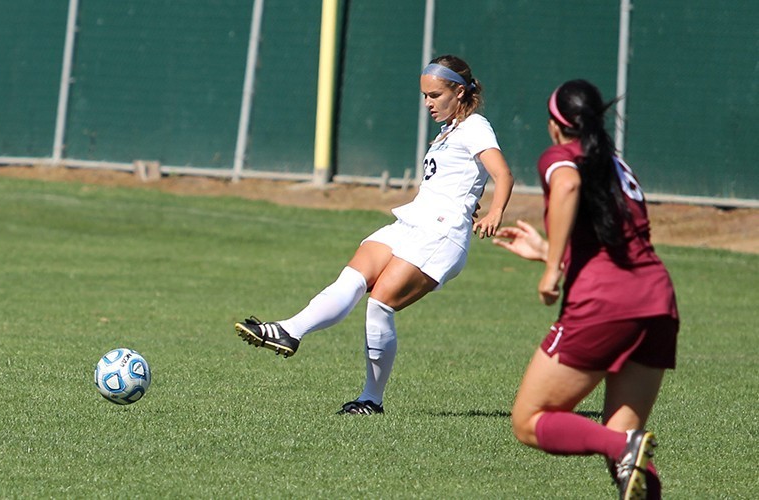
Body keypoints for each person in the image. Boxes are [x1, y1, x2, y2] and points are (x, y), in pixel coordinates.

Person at [234, 55, 514, 415]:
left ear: (459, 91)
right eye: (424, 96)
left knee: (380, 305)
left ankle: (371, 399)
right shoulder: (449, 132)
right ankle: (290, 330)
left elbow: (502, 174)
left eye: (434, 95)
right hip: (412, 222)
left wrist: (495, 211)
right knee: (353, 276)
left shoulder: (475, 126)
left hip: (439, 236)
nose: (427, 103)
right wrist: (469, 198)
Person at [493, 79, 678, 499]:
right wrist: (548, 251)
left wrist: (553, 269)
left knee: (529, 419)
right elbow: (617, 242)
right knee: (626, 457)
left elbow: (567, 186)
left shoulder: (562, 156)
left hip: (604, 305)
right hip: (657, 301)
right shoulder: (613, 162)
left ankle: (624, 445)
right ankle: (626, 447)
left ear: (558, 126)